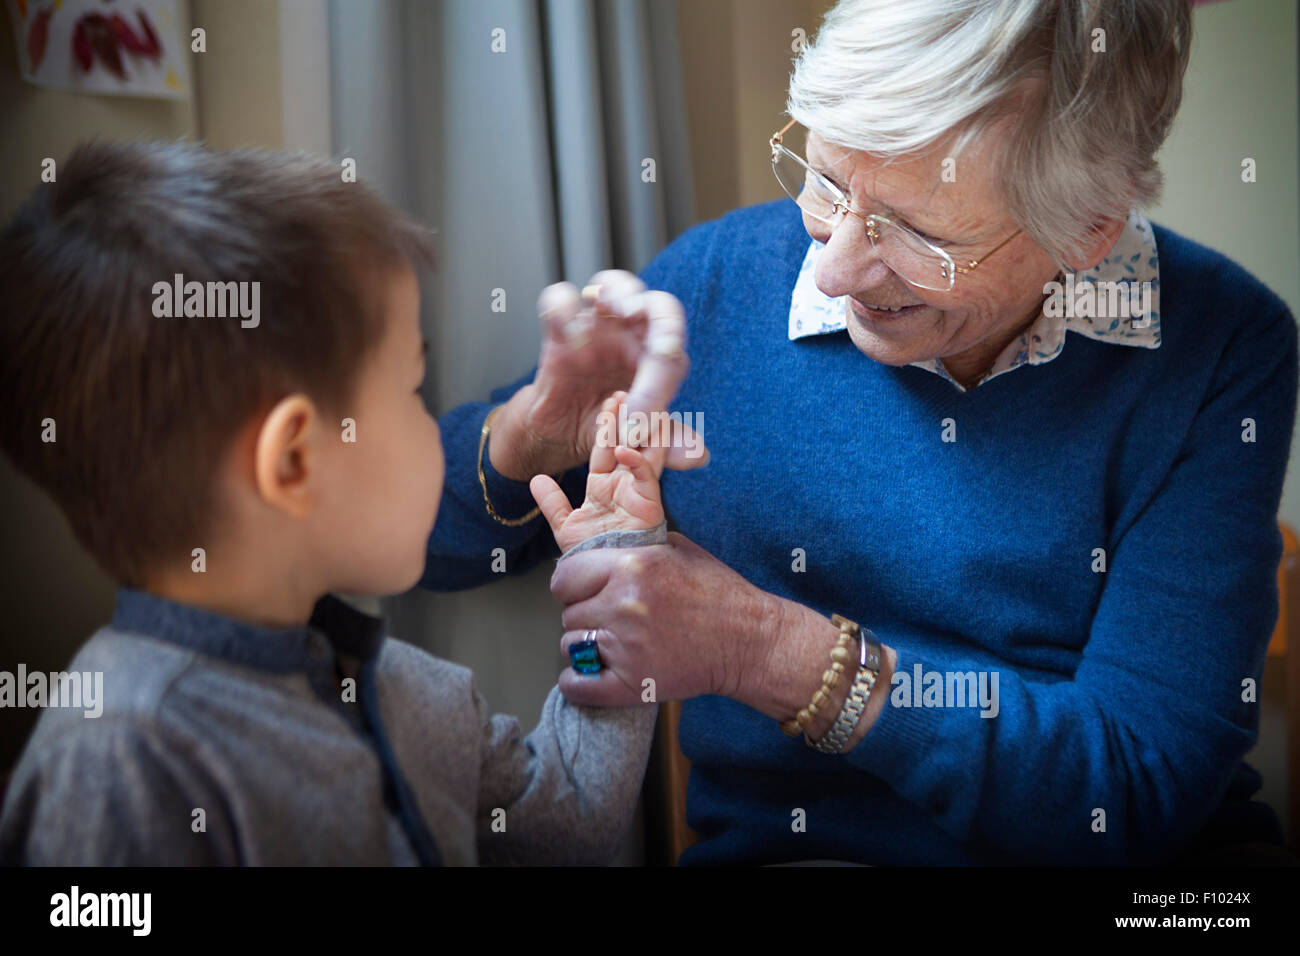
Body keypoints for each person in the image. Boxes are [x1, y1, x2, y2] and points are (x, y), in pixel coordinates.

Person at [421, 0, 1299, 865]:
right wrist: (532, 434)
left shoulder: (1221, 343)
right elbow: (418, 542)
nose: (832, 268)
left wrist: (765, 648)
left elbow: (1138, 791)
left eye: (916, 231)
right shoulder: (719, 282)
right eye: (827, 182)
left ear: (1086, 229)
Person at [0, 141, 668, 865]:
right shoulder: (116, 761)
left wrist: (613, 594)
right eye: (412, 392)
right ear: (292, 461)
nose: (438, 428)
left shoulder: (408, 690)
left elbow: (565, 817)